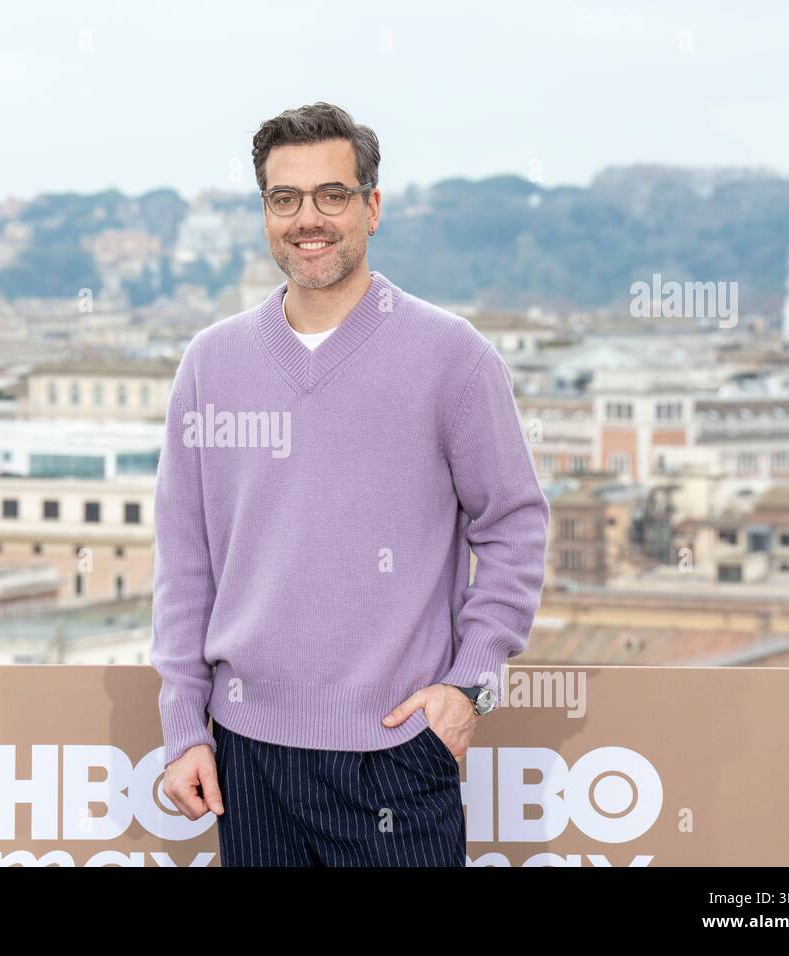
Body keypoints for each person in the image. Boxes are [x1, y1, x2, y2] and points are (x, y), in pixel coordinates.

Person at [151, 102, 550, 866]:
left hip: (398, 753)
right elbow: (184, 561)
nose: (309, 218)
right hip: (245, 756)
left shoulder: (452, 357)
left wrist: (471, 688)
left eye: (332, 195)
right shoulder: (210, 365)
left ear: (372, 205)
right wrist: (183, 727)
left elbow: (515, 526)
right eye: (285, 198)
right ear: (265, 213)